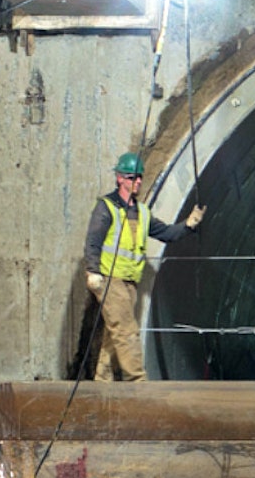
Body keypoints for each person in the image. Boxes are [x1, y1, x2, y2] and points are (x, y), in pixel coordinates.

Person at [83, 153, 206, 381]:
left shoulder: (142, 212)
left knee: (116, 332)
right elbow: (93, 241)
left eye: (139, 178)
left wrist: (188, 225)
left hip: (130, 281)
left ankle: (102, 382)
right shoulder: (106, 208)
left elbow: (167, 233)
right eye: (132, 178)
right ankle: (137, 381)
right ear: (119, 178)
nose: (137, 182)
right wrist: (92, 270)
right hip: (109, 278)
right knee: (126, 331)